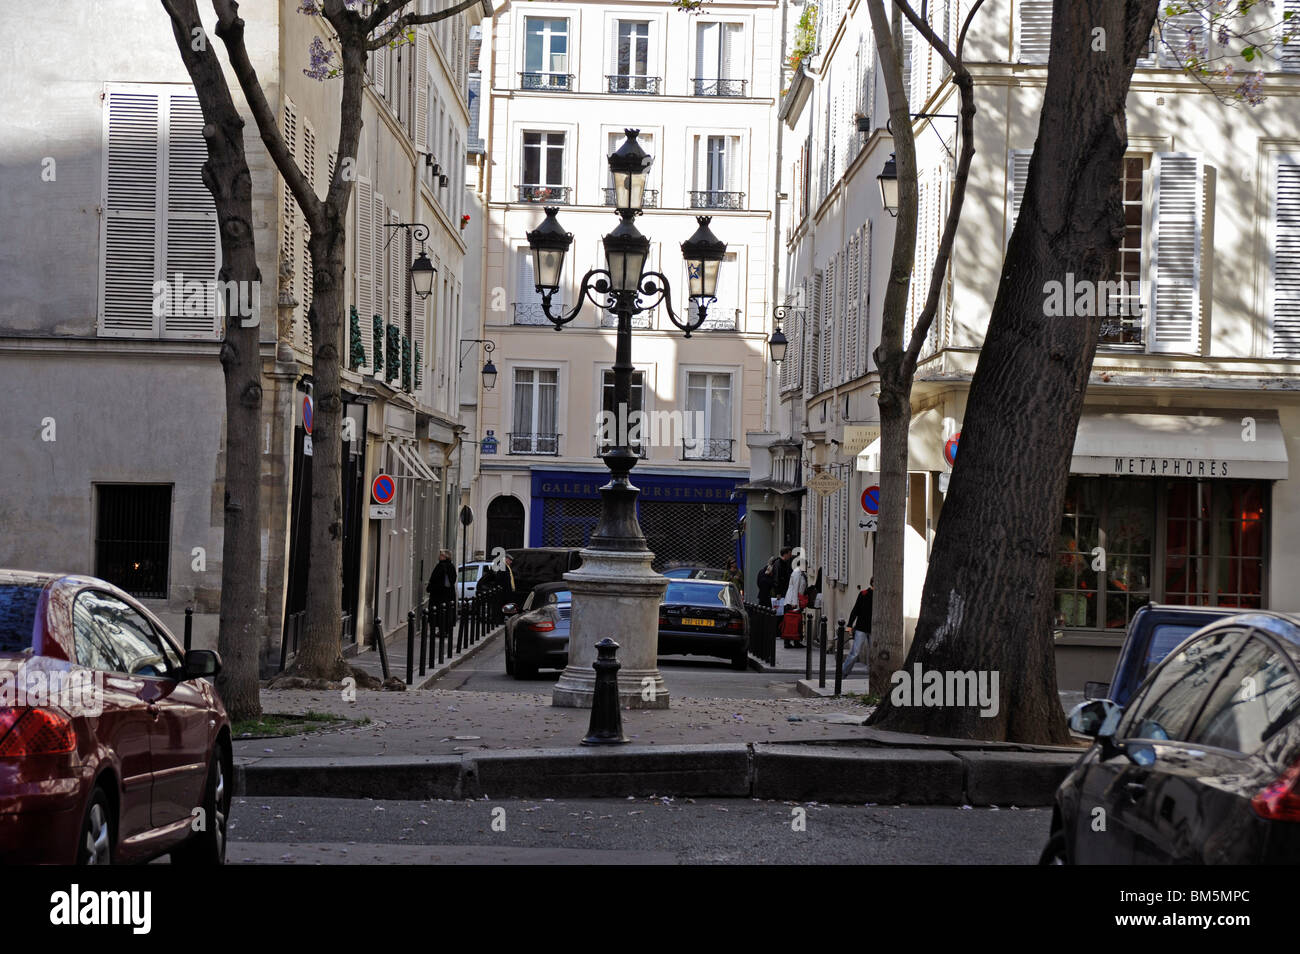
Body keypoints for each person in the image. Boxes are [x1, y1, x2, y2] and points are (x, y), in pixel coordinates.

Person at [841, 578, 874, 679]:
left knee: (873, 654)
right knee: (855, 652)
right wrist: (850, 625)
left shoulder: (882, 596)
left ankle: (872, 675)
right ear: (873, 583)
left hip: (874, 629)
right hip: (861, 628)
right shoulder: (864, 594)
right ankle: (843, 672)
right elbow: (855, 610)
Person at [426, 549, 458, 629]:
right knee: (446, 612)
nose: (439, 557)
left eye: (441, 555)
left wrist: (430, 588)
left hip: (438, 594)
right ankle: (445, 629)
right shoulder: (451, 566)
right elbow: (453, 579)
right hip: (449, 594)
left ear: (444, 557)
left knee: (438, 613)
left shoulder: (440, 566)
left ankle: (440, 629)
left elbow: (434, 579)